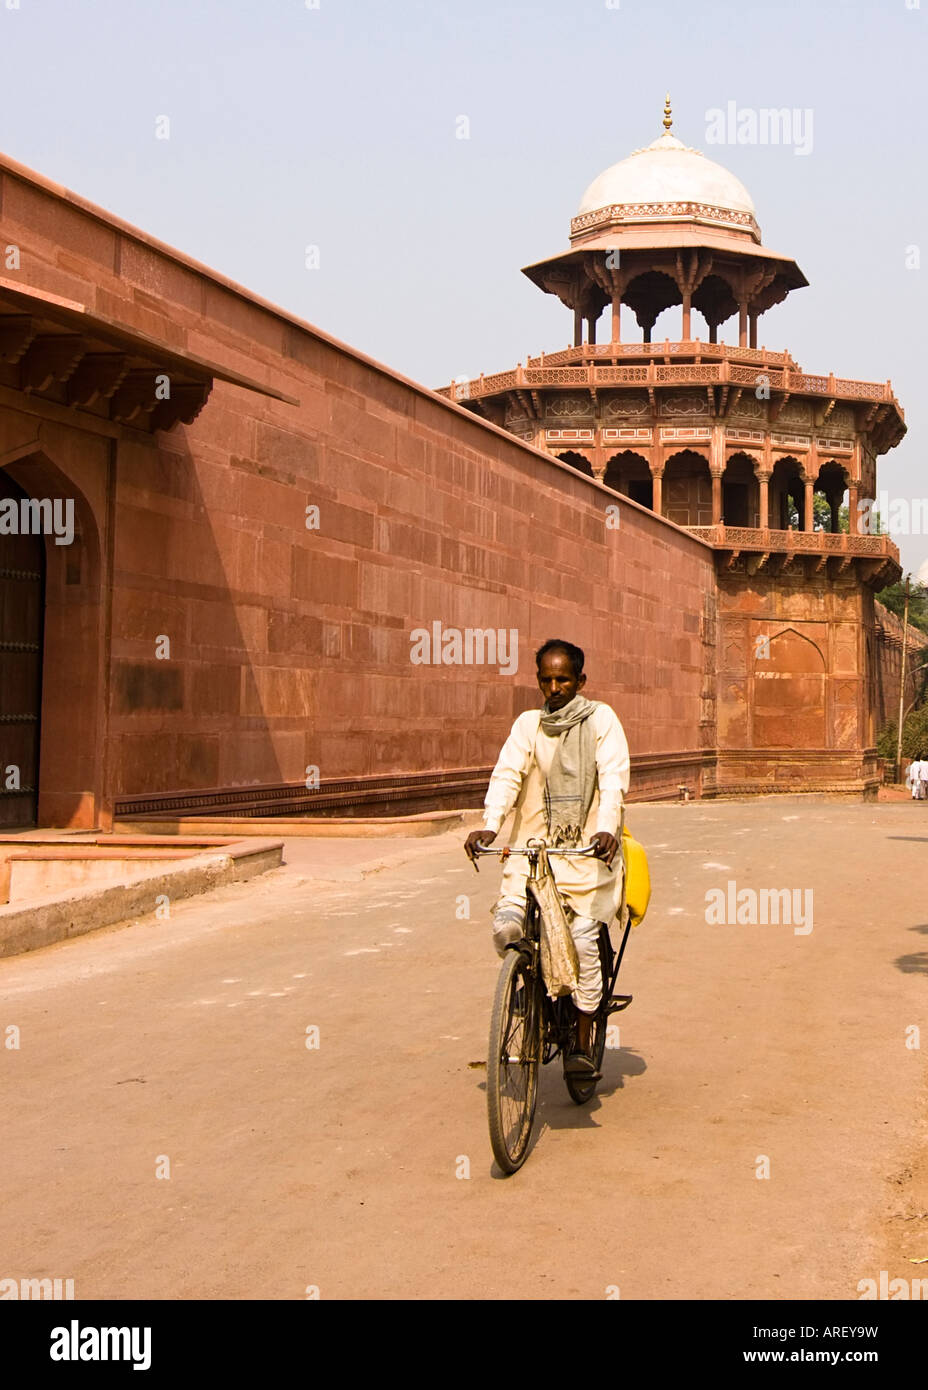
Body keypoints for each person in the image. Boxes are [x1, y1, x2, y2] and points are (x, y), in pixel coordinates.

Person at [465, 639, 630, 1075]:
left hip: (586, 850)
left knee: (581, 942)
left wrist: (606, 830)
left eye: (563, 679)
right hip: (536, 845)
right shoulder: (528, 725)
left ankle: (580, 1037)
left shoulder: (601, 721)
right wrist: (490, 823)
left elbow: (613, 781)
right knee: (510, 920)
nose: (554, 688)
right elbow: (507, 774)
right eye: (546, 679)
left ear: (580, 681)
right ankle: (526, 978)